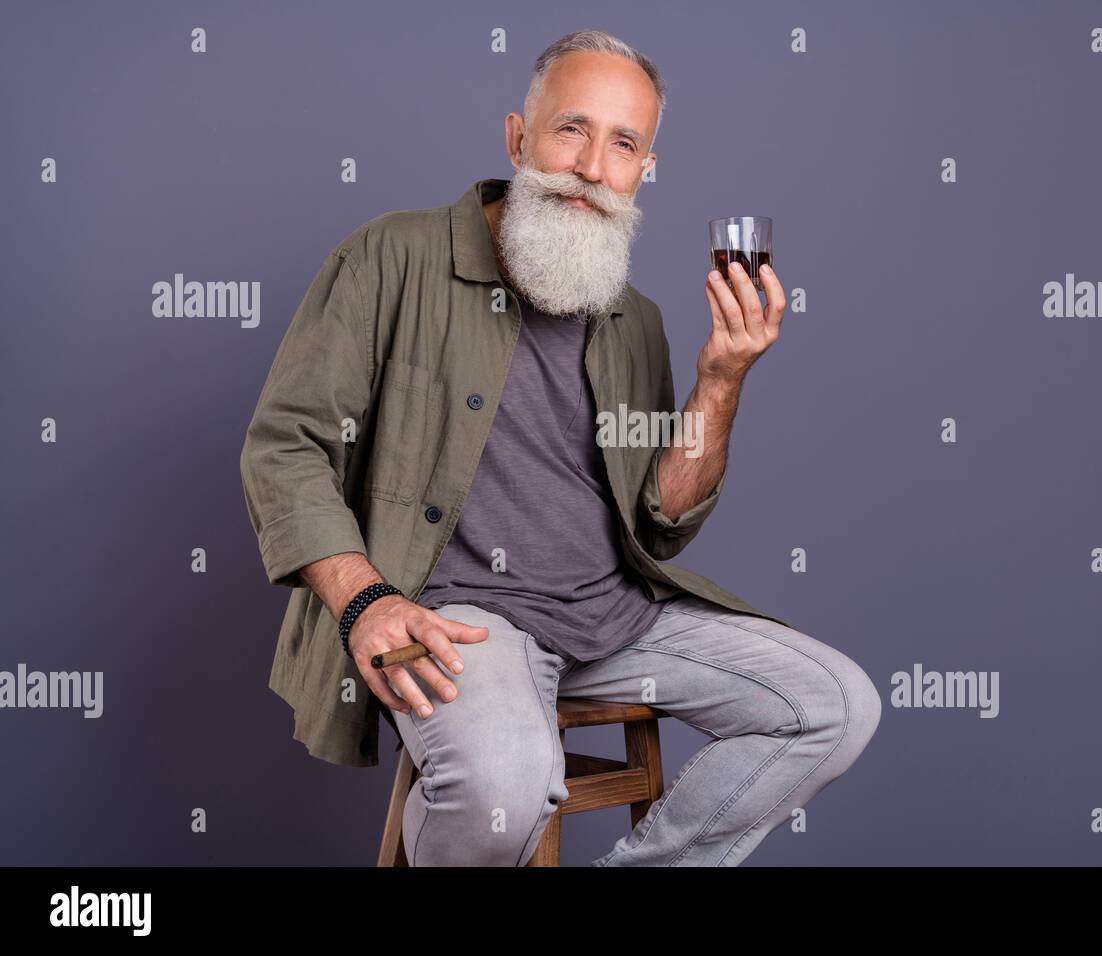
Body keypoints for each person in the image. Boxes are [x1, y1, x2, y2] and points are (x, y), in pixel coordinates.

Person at [239, 29, 881, 866]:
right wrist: (366, 602)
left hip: (613, 618)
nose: (591, 166)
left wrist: (721, 380)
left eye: (624, 145)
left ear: (644, 170)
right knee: (505, 783)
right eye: (571, 129)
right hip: (461, 618)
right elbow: (285, 448)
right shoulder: (389, 257)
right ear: (518, 138)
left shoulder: (633, 317)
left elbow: (663, 524)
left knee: (834, 704)